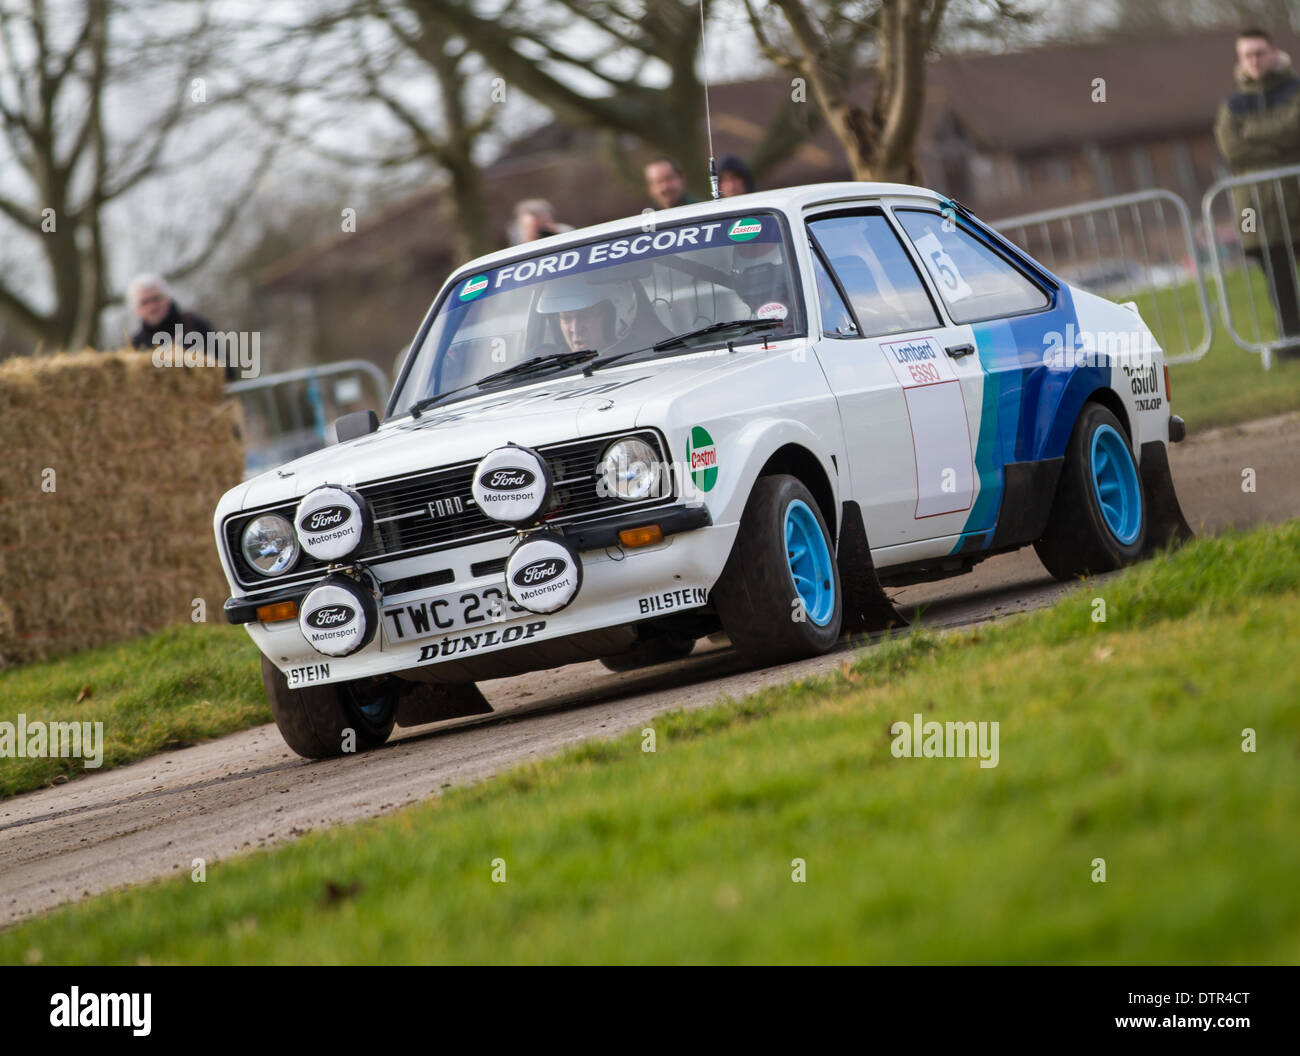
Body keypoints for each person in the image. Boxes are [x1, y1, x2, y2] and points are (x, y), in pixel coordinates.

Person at [1214, 27, 1300, 350]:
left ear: (1274, 53)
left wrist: (1255, 135)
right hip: (1258, 212)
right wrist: (1279, 144)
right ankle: (1292, 346)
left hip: (1296, 198)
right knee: (1280, 285)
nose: (1254, 60)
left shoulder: (1295, 90)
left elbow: (1296, 130)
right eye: (1247, 55)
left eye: (1260, 53)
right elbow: (1232, 149)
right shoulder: (1233, 105)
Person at [126, 274, 232, 377]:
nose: (152, 307)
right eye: (145, 303)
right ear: (136, 309)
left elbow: (226, 370)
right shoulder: (135, 343)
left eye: (156, 299)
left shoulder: (195, 325)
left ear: (167, 299)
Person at [535, 276, 671, 356]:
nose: (576, 329)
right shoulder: (540, 366)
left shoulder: (654, 357)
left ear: (616, 314)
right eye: (566, 318)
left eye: (586, 314)